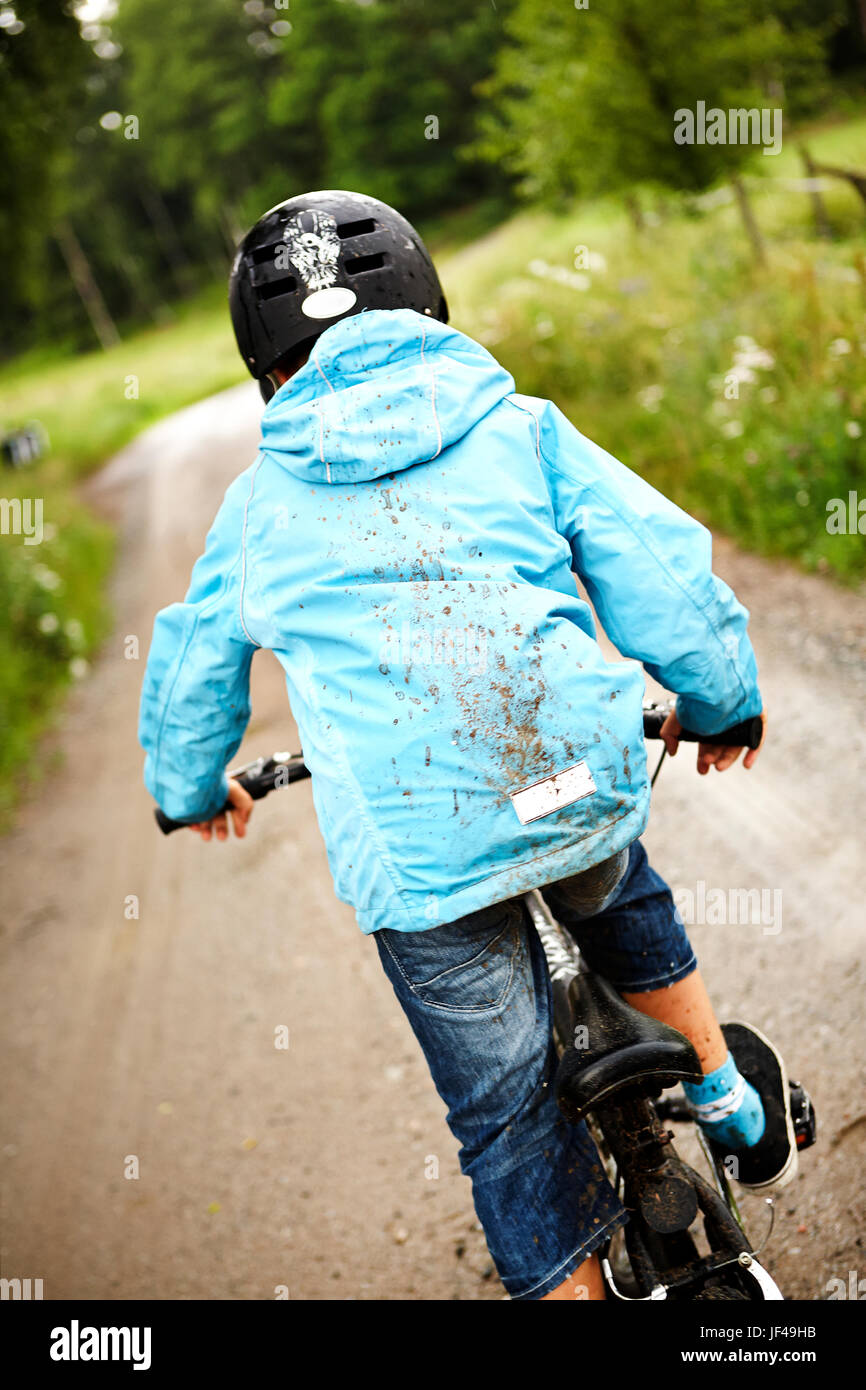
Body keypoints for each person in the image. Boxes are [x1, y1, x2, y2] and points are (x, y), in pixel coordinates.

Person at [139, 190, 800, 1301]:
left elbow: (194, 666)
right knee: (615, 885)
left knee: (502, 1119)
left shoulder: (257, 509)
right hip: (569, 779)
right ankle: (731, 1098)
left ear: (263, 361)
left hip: (423, 861)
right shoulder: (518, 425)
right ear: (429, 303)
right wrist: (719, 699)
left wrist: (189, 786)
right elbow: (657, 571)